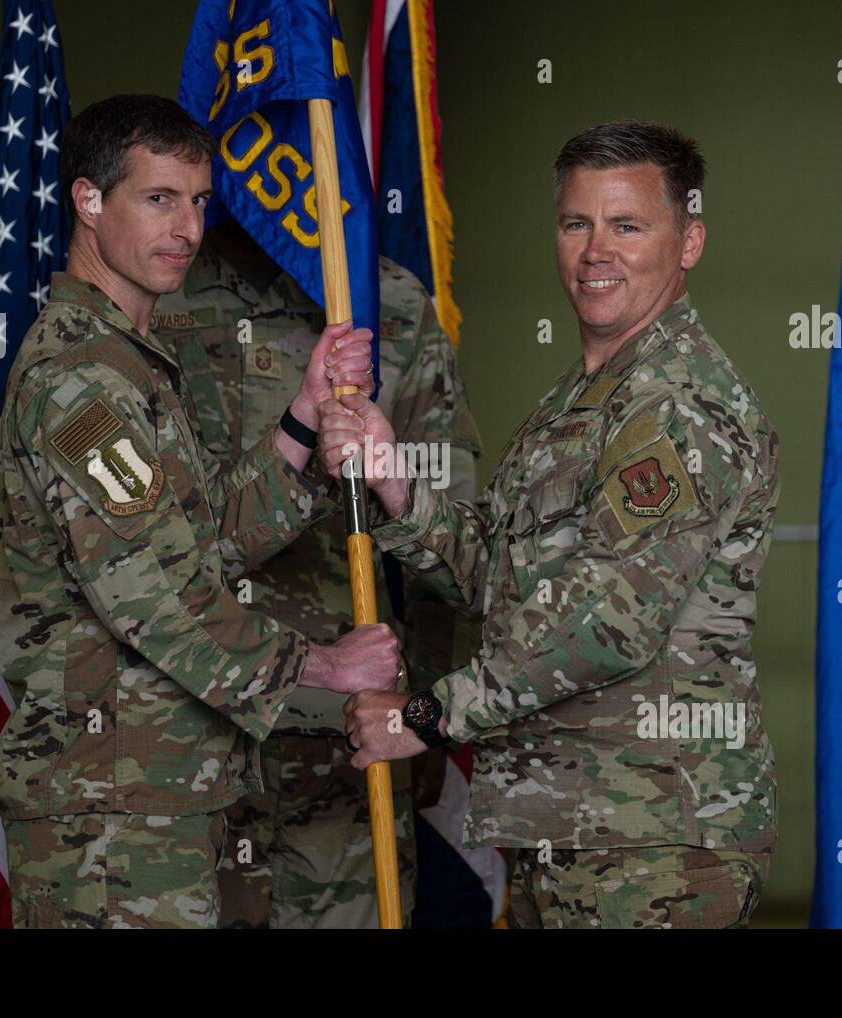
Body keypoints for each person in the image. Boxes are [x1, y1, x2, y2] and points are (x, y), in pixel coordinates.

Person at [322, 120, 780, 929]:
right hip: (566, 829)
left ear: (689, 242)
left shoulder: (675, 404)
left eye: (628, 225)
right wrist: (398, 486)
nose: (596, 250)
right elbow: (501, 582)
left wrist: (424, 717)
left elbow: (603, 623)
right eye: (577, 223)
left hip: (651, 843)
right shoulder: (583, 397)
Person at [0, 94, 399, 929]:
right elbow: (158, 595)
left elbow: (201, 538)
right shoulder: (83, 377)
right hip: (105, 814)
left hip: (150, 796)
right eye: (158, 198)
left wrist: (302, 418)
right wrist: (327, 668)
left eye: (199, 201)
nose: (186, 226)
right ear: (89, 202)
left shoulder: (131, 361)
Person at [149, 219, 483, 927]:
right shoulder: (153, 285)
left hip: (346, 742)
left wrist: (431, 708)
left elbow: (450, 520)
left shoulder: (380, 299)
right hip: (188, 736)